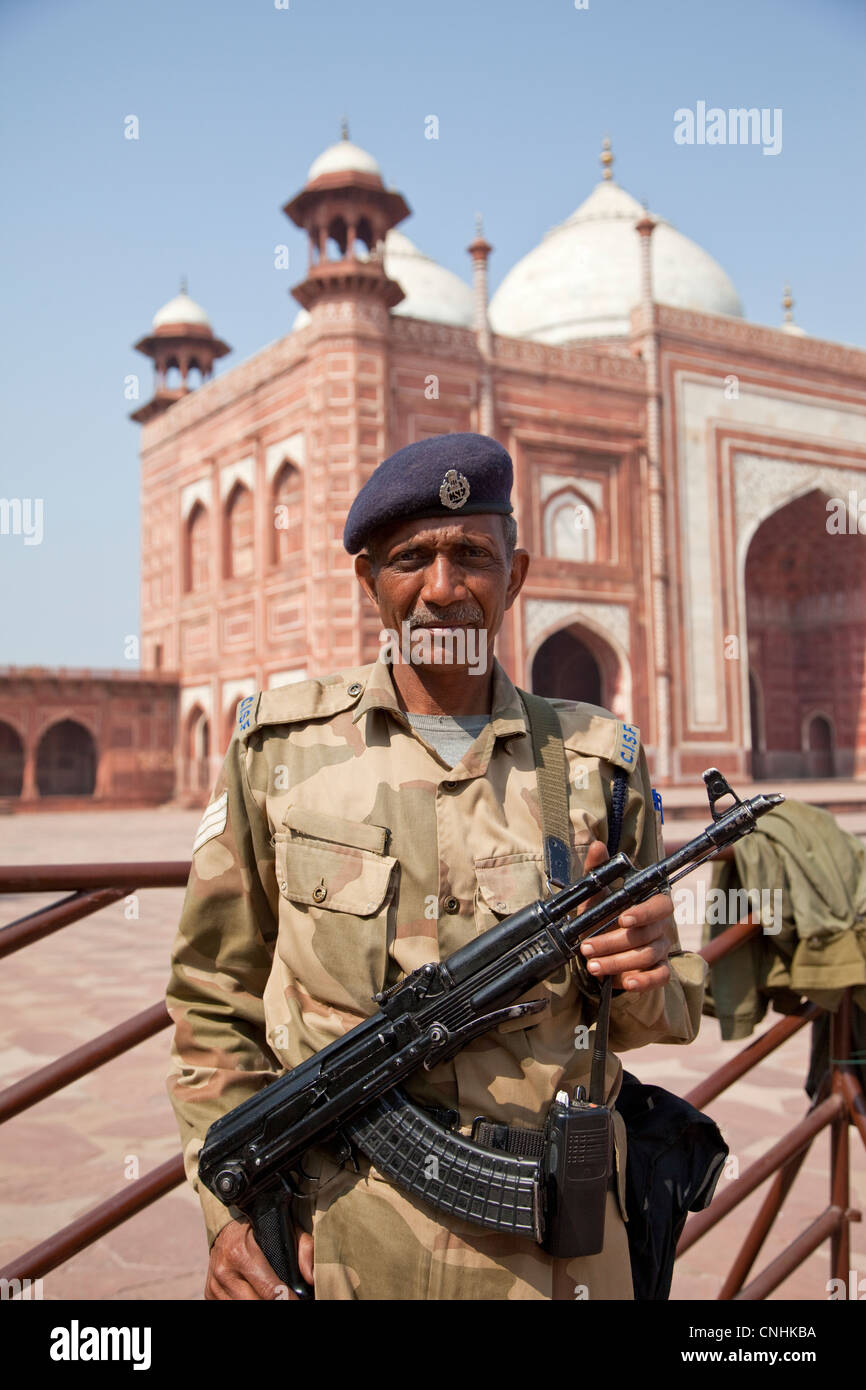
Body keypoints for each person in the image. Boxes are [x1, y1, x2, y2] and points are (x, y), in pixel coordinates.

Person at [165, 431, 706, 1301]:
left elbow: (670, 1008)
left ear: (516, 577)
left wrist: (642, 974)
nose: (443, 588)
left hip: (557, 1252)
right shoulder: (284, 754)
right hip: (342, 1241)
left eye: (472, 557)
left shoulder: (600, 766)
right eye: (411, 558)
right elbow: (211, 995)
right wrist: (226, 1205)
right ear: (369, 582)